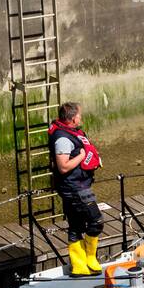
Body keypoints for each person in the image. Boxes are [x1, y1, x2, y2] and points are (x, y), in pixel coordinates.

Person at [48, 101, 104, 275]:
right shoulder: (63, 139)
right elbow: (63, 166)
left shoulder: (71, 131)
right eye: (79, 115)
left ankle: (79, 266)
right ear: (72, 119)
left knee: (76, 226)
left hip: (76, 185)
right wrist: (82, 156)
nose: (81, 117)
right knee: (96, 221)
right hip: (75, 188)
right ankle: (89, 257)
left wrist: (94, 160)